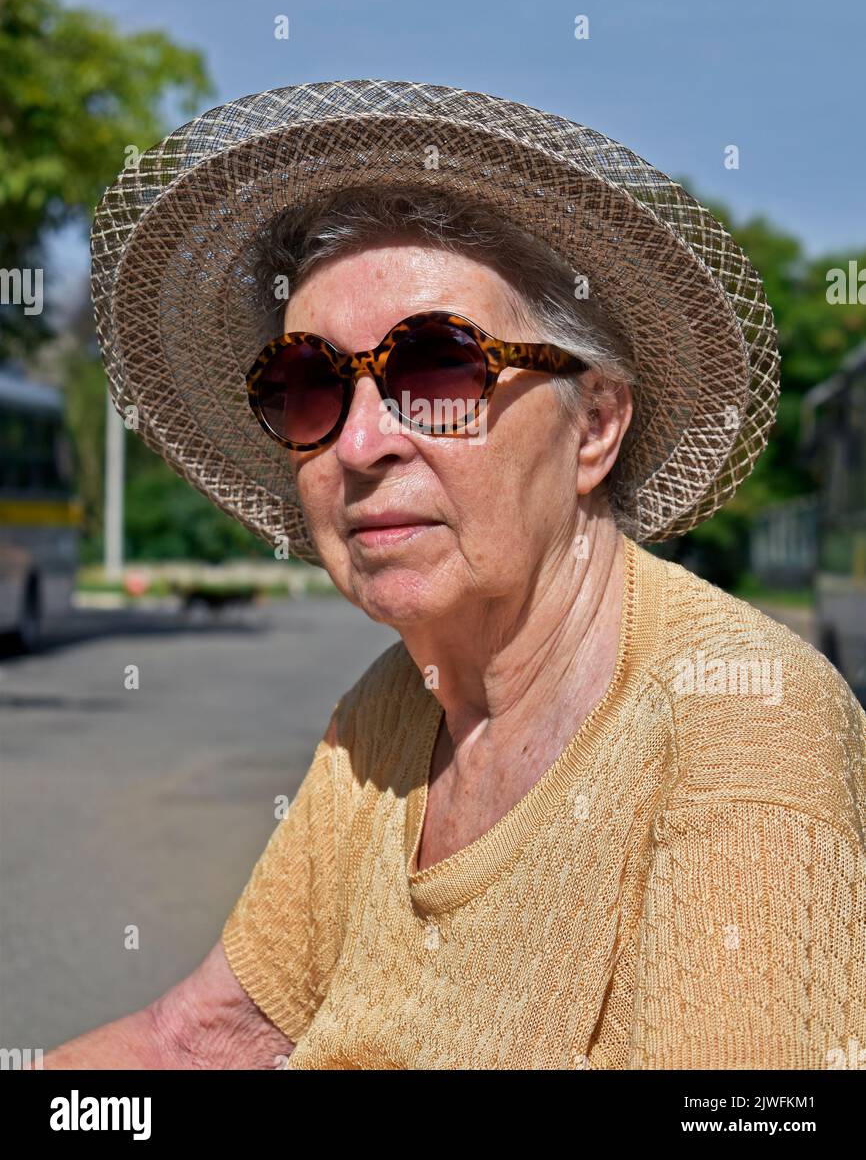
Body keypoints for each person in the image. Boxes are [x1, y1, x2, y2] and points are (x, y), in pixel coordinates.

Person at [42, 79, 865, 1069]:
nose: (359, 443)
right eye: (306, 386)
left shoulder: (740, 718)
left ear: (594, 424)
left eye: (434, 370)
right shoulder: (387, 715)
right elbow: (203, 1037)